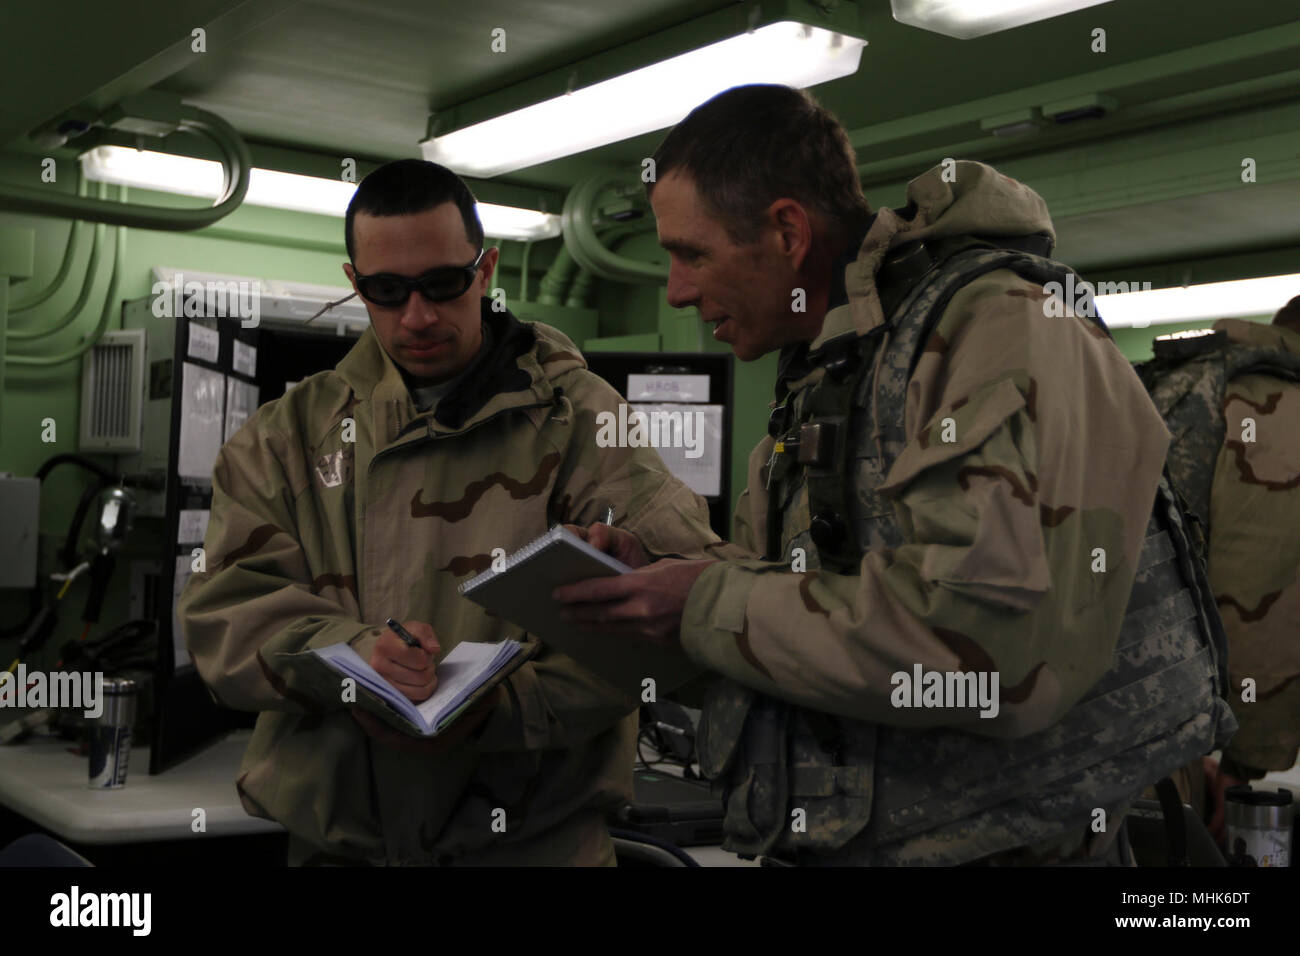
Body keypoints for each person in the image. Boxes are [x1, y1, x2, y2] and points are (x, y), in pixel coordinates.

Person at [556, 84, 1236, 865]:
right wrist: (664, 589)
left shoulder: (999, 331)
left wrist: (703, 600)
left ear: (786, 231)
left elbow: (986, 651)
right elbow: (815, 606)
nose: (676, 289)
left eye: (690, 253)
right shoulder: (833, 373)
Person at [180, 159, 719, 866]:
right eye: (387, 291)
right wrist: (349, 658)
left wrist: (506, 705)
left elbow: (674, 611)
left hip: (532, 848)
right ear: (355, 285)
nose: (418, 316)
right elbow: (225, 617)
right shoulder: (287, 438)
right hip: (343, 851)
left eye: (442, 284)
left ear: (486, 269)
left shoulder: (581, 421)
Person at [1138, 296, 1300, 841]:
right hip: (1161, 734)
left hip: (1104, 714)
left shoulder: (1188, 380)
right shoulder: (1282, 409)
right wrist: (1238, 766)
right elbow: (1261, 606)